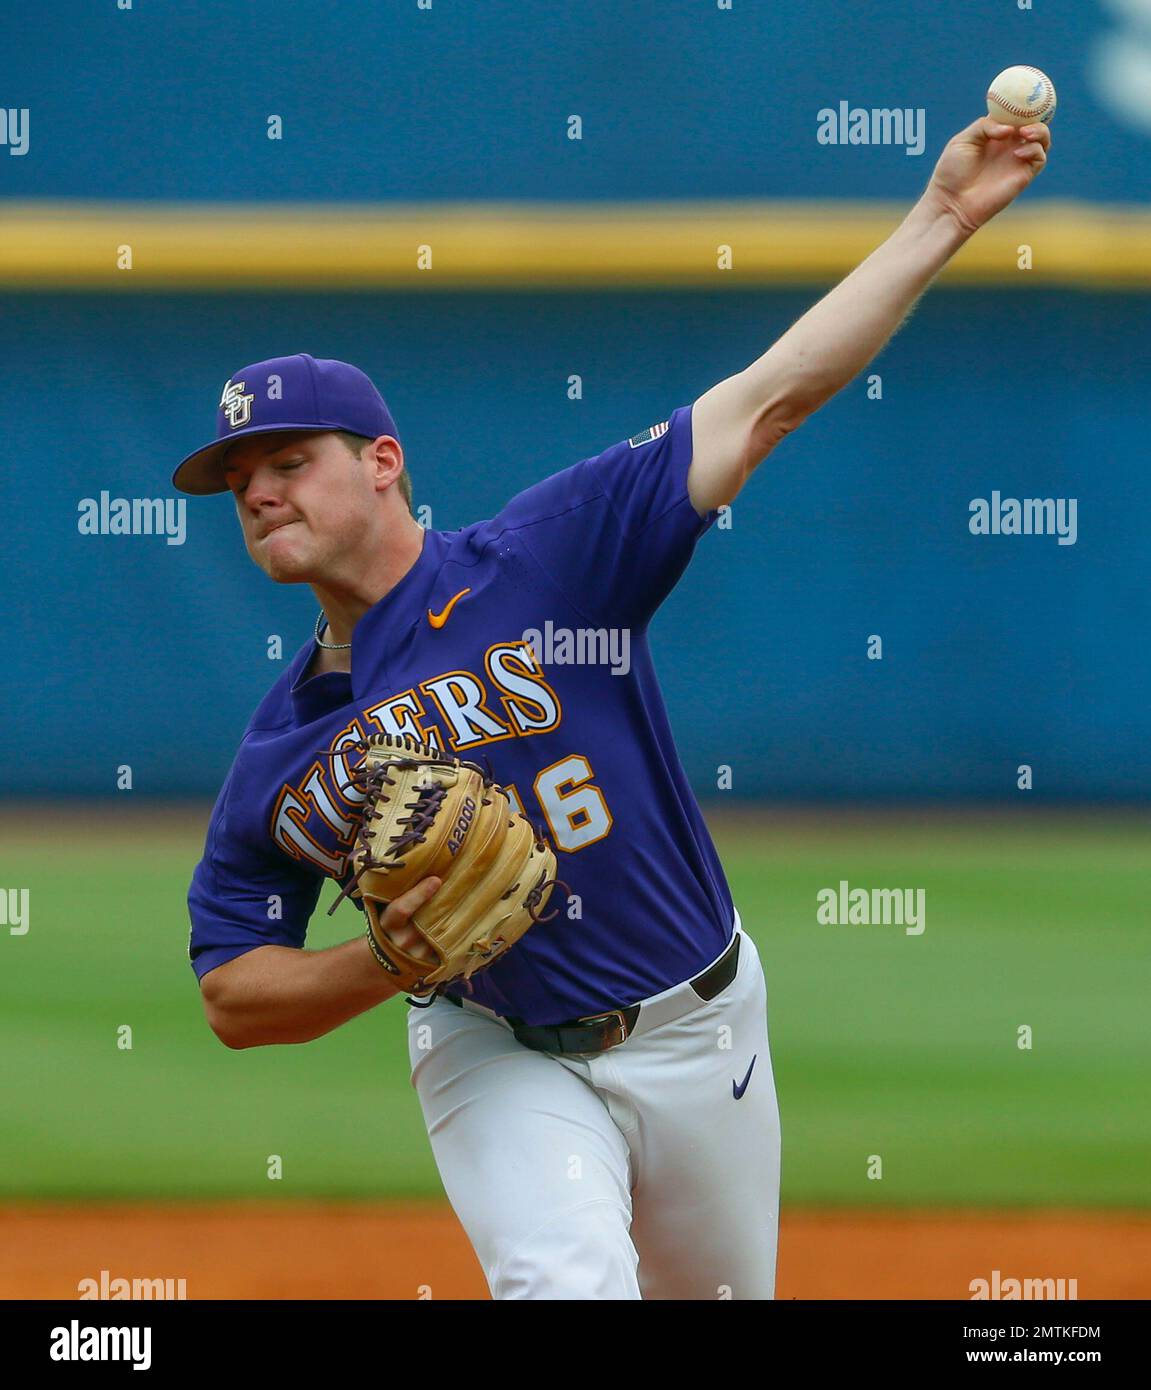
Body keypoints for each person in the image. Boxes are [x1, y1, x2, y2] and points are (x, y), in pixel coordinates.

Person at [177, 117, 1050, 1300]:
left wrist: (940, 219)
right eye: (238, 482)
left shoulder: (547, 557)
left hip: (700, 1027)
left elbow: (768, 400)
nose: (259, 493)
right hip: (492, 1049)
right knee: (563, 1283)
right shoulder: (287, 750)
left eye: (287, 461)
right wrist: (385, 961)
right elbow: (233, 992)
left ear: (381, 460)